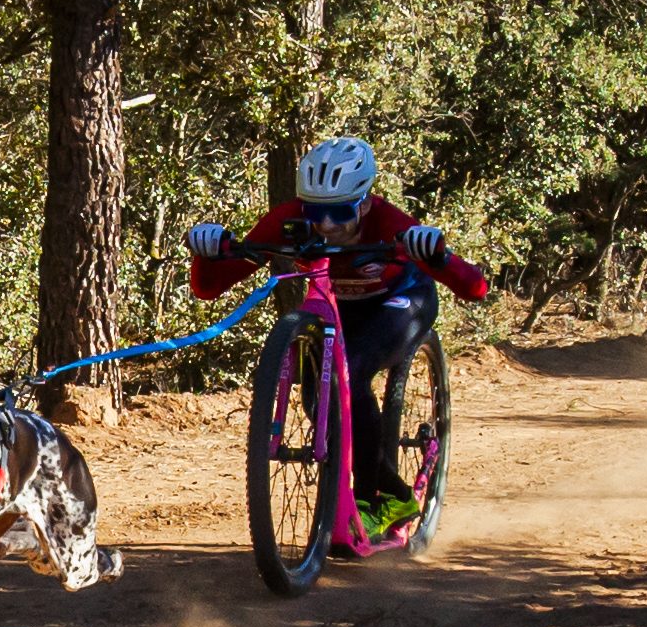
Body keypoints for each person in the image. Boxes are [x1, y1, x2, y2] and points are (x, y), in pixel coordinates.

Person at [184, 136, 489, 540]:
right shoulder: (288, 221)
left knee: (353, 369)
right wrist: (207, 252)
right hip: (340, 309)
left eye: (341, 211)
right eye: (316, 212)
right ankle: (360, 480)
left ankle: (383, 495)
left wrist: (436, 255)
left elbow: (476, 289)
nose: (326, 225)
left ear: (364, 203)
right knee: (316, 395)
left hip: (400, 299)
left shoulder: (391, 224)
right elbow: (208, 287)